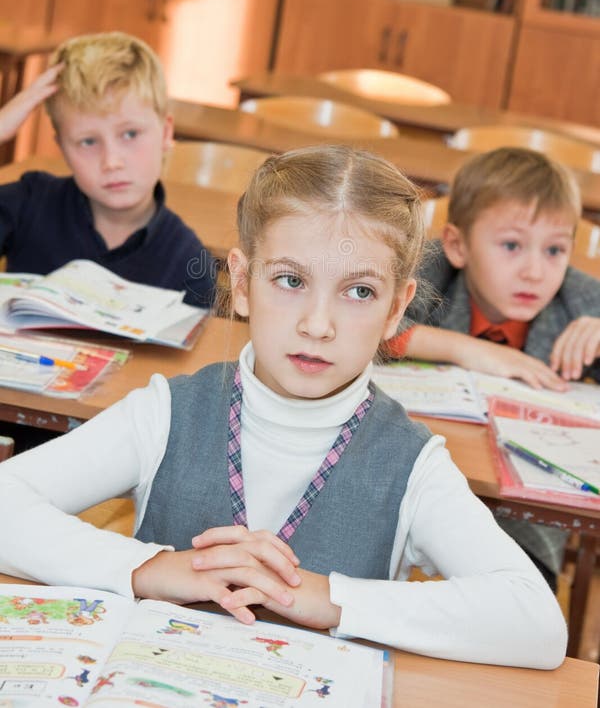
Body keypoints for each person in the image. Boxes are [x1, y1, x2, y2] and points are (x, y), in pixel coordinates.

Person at [0, 146, 567, 669]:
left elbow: (537, 623)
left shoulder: (412, 463)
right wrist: (148, 568)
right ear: (243, 283)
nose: (317, 325)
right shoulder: (167, 412)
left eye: (360, 292)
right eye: (291, 280)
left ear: (397, 310)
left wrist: (330, 598)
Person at [387, 146, 600, 588]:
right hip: (413, 482)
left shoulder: (582, 300)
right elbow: (366, 322)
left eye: (555, 250)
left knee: (511, 592)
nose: (535, 271)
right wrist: (465, 349)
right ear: (458, 245)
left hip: (520, 515)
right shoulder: (430, 270)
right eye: (511, 246)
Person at [0, 32, 216, 307]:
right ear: (62, 148)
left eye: (130, 134)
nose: (111, 161)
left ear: (165, 133)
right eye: (88, 141)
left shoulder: (188, 262)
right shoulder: (28, 204)